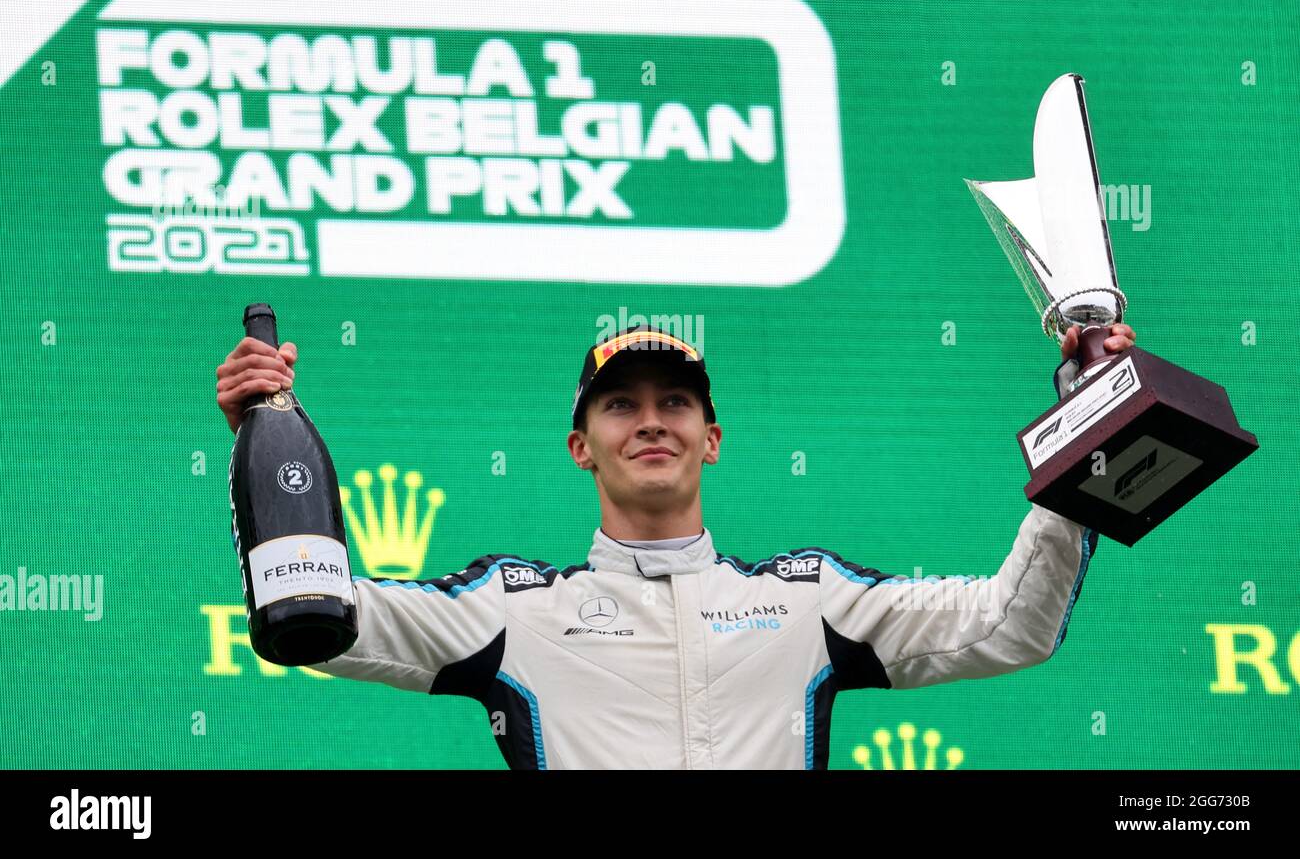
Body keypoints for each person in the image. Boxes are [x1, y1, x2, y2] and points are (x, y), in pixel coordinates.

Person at [215, 319, 1137, 769]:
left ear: (711, 438)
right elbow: (317, 616)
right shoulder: (509, 607)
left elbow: (1012, 624)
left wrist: (1085, 436)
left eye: (676, 403)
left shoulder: (809, 598)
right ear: (581, 447)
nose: (651, 421)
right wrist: (266, 436)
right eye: (620, 404)